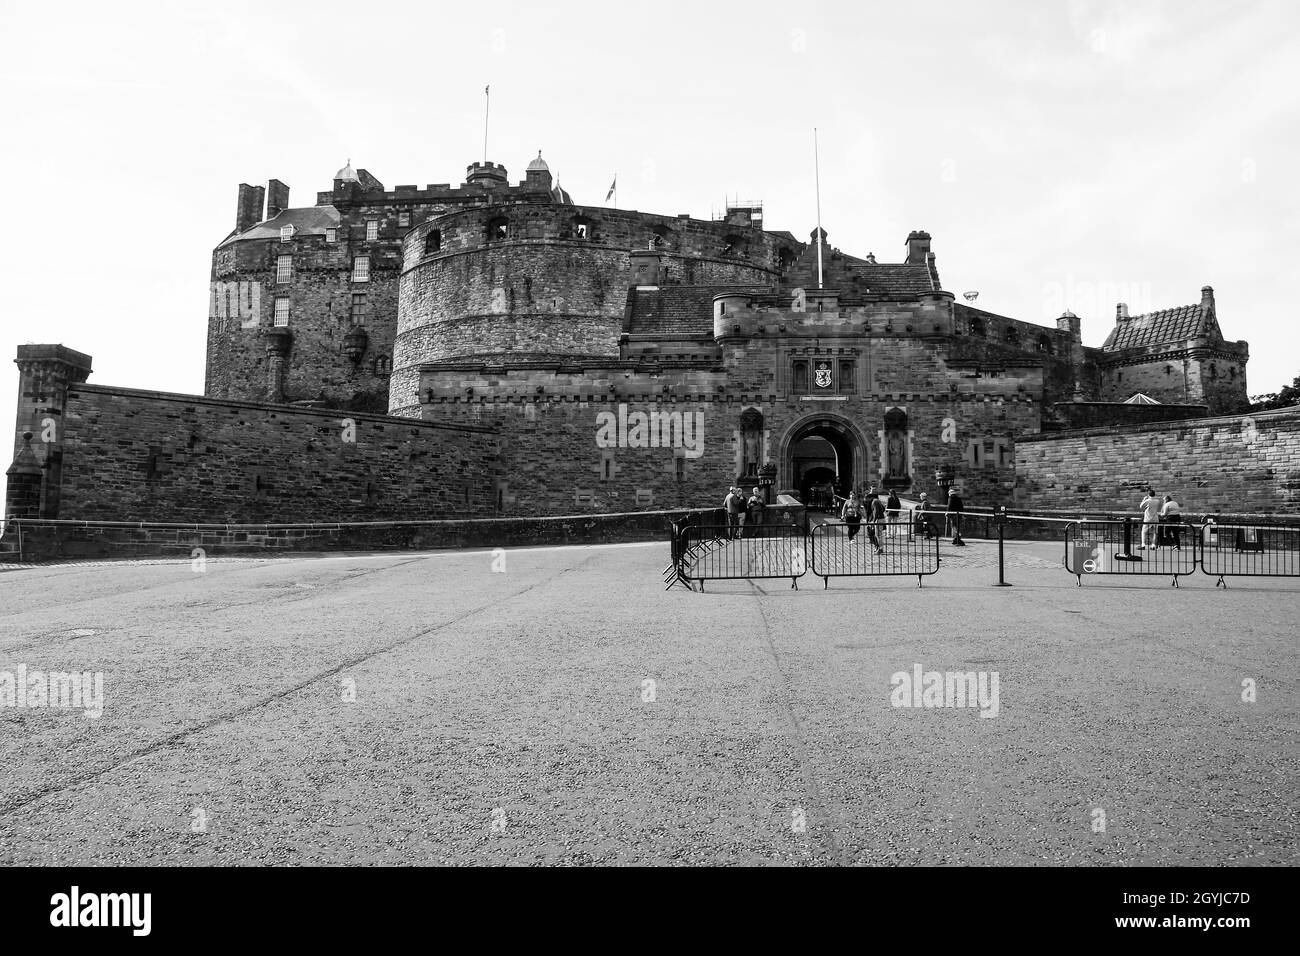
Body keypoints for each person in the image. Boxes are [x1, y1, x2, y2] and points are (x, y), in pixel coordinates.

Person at [865, 488, 886, 554]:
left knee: (878, 535)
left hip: (878, 519)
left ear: (870, 498)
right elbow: (883, 508)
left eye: (867, 499)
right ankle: (881, 548)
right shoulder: (878, 501)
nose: (867, 501)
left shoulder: (874, 502)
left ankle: (880, 549)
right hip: (881, 518)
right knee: (880, 535)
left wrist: (874, 520)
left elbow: (876, 511)